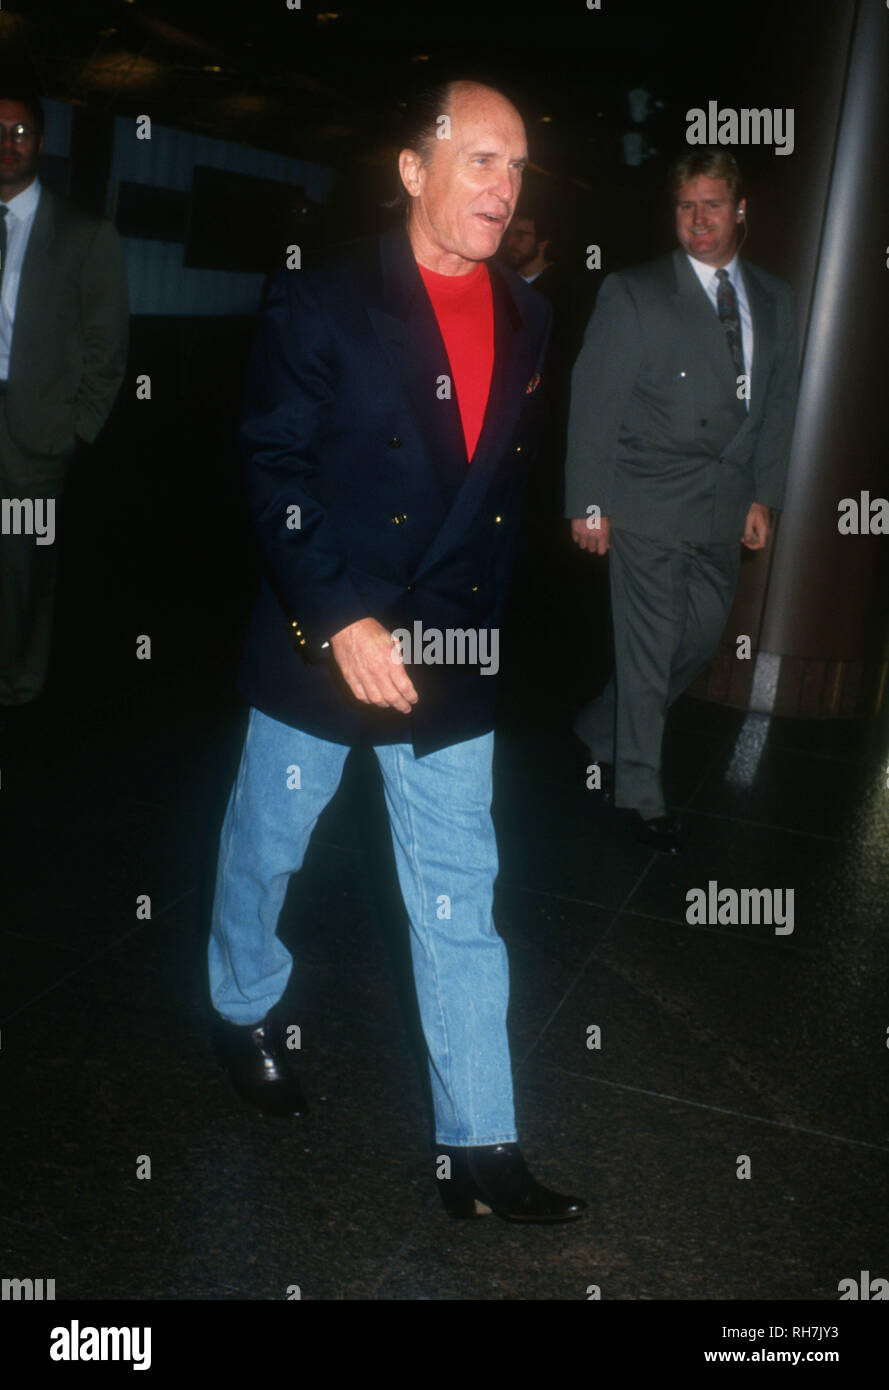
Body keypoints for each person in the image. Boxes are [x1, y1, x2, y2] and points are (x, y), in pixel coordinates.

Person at [209, 79, 586, 1223]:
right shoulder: (322, 298)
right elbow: (270, 469)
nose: (501, 187)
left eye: (515, 166)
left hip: (451, 651)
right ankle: (241, 1003)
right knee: (266, 851)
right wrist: (337, 614)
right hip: (325, 641)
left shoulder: (529, 313)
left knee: (461, 897)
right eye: (478, 160)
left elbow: (485, 493)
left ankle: (479, 1148)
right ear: (413, 171)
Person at [565, 148, 798, 853]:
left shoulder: (775, 298)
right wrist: (588, 503)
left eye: (711, 205)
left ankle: (601, 724)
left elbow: (776, 406)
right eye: (684, 206)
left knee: (696, 640)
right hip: (645, 500)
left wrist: (764, 495)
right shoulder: (632, 292)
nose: (697, 220)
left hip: (722, 506)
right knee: (646, 650)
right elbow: (593, 406)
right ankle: (636, 791)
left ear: (740, 211)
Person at [0, 86, 129, 720]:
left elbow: (109, 348)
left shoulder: (83, 233)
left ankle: (18, 684)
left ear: (41, 143)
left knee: (24, 568)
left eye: (20, 131)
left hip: (38, 437)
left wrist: (78, 430)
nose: (7, 143)